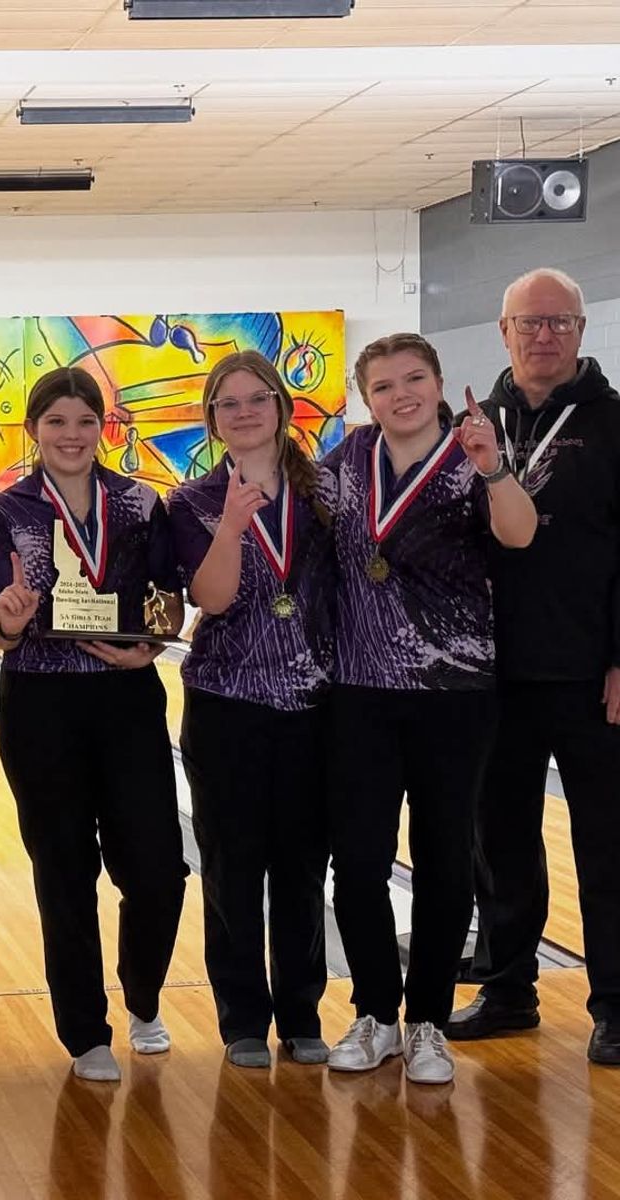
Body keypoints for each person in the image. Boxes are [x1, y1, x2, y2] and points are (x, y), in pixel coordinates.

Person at [322, 333, 537, 1085]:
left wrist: (496, 469)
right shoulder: (345, 462)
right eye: (382, 385)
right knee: (356, 863)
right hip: (359, 693)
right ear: (365, 396)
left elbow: (520, 534)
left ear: (440, 382)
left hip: (456, 696)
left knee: (447, 862)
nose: (399, 394)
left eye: (413, 378)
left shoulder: (474, 455)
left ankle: (428, 1024)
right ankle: (377, 1013)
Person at [0, 365, 188, 1083]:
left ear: (105, 428)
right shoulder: (5, 511)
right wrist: (5, 625)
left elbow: (166, 597)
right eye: (56, 421)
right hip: (41, 703)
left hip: (127, 700)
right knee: (64, 872)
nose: (71, 434)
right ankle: (84, 1032)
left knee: (158, 869)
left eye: (84, 421)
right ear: (34, 429)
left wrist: (150, 647)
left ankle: (144, 995)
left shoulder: (137, 501)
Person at [446, 268, 620, 1065]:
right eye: (530, 322)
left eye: (560, 322)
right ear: (504, 330)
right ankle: (509, 987)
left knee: (609, 842)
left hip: (590, 671)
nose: (544, 335)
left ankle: (615, 1003)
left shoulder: (616, 424)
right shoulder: (473, 424)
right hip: (491, 673)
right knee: (500, 836)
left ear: (581, 331)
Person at [167, 351, 333, 1069]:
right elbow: (210, 600)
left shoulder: (327, 492)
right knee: (233, 868)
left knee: (301, 866)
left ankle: (301, 1014)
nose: (242, 412)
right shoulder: (190, 503)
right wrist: (231, 526)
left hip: (314, 705)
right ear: (212, 420)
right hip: (227, 703)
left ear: (281, 406)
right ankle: (241, 1017)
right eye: (226, 403)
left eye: (255, 398)